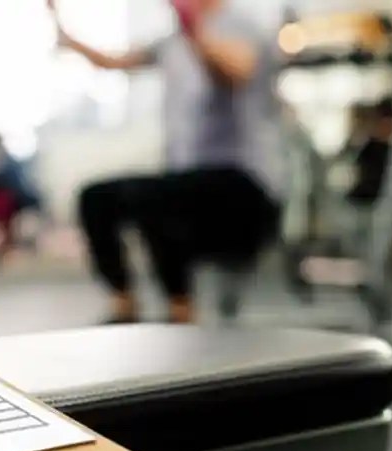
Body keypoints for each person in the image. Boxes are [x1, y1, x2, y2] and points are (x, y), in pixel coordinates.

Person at [52, 0, 282, 324]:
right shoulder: (171, 41)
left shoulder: (243, 25)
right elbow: (113, 62)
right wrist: (62, 29)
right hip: (187, 181)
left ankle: (181, 309)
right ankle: (124, 305)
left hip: (244, 184)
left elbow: (236, 73)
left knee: (157, 199)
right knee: (96, 197)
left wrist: (194, 30)